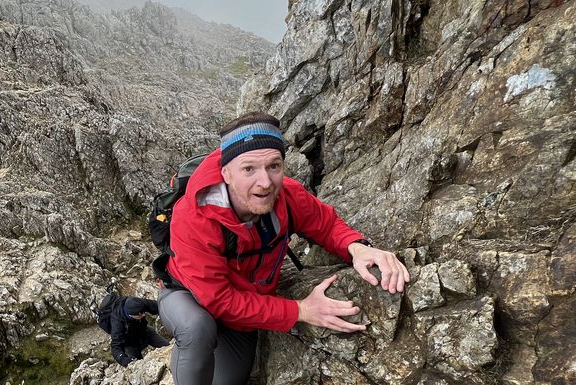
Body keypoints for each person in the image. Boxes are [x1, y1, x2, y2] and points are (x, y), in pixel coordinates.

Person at [155, 112, 410, 385]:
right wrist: (300, 310)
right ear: (226, 173)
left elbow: (325, 225)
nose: (265, 182)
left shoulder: (286, 195)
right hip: (187, 295)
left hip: (242, 307)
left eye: (274, 166)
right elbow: (219, 300)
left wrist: (357, 247)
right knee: (196, 329)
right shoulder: (194, 216)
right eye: (249, 169)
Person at [107, 296, 170, 367]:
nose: (143, 315)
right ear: (130, 315)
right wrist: (123, 359)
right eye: (139, 315)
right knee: (138, 365)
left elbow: (159, 307)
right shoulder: (118, 324)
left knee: (168, 348)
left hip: (146, 332)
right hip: (130, 344)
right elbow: (116, 346)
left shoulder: (139, 304)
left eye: (143, 312)